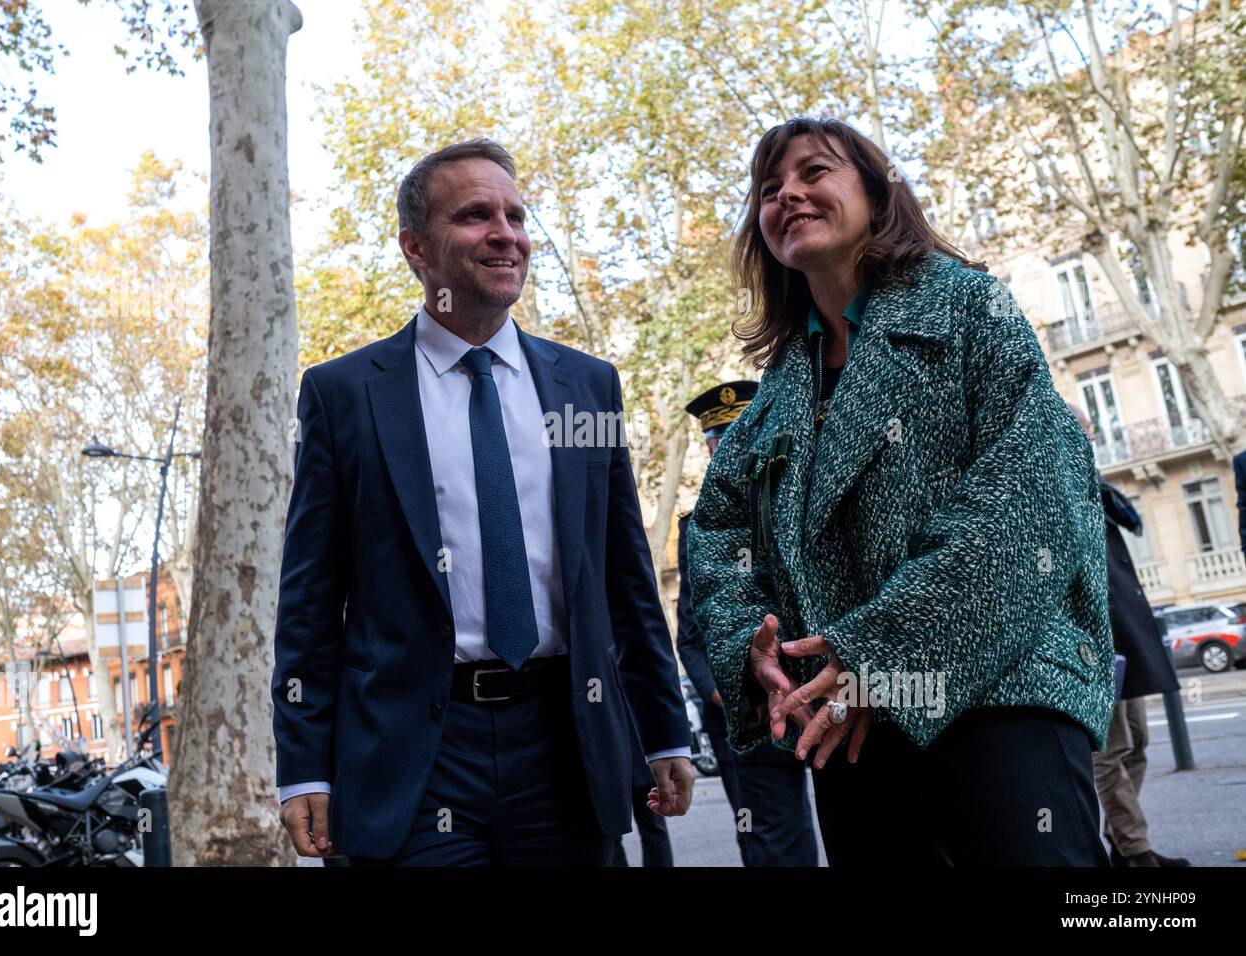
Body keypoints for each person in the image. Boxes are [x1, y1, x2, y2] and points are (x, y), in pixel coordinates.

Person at [688, 116, 1113, 866]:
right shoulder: (776, 392)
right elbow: (719, 532)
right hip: (848, 731)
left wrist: (879, 657)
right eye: (769, 188)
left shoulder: (971, 310)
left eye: (814, 172)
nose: (789, 193)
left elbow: (1026, 510)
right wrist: (749, 647)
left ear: (879, 196)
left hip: (998, 694)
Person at [273, 138, 694, 866]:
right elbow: (309, 597)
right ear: (416, 246)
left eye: (516, 215)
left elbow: (625, 577)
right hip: (416, 757)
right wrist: (303, 764)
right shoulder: (346, 395)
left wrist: (663, 729)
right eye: (475, 216)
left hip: (566, 744)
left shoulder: (585, 387)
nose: (506, 234)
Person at [677, 381, 820, 866]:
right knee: (771, 840)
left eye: (734, 437)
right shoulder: (697, 526)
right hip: (753, 705)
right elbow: (691, 631)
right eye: (716, 442)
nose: (724, 452)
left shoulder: (803, 498)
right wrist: (722, 686)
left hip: (826, 688)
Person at [1068, 405, 1190, 867]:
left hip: (1129, 631)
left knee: (1137, 741)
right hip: (1102, 637)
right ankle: (1133, 850)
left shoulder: (1096, 488)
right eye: (1085, 432)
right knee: (1112, 748)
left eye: (1092, 432)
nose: (1092, 441)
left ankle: (1124, 840)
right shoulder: (1061, 482)